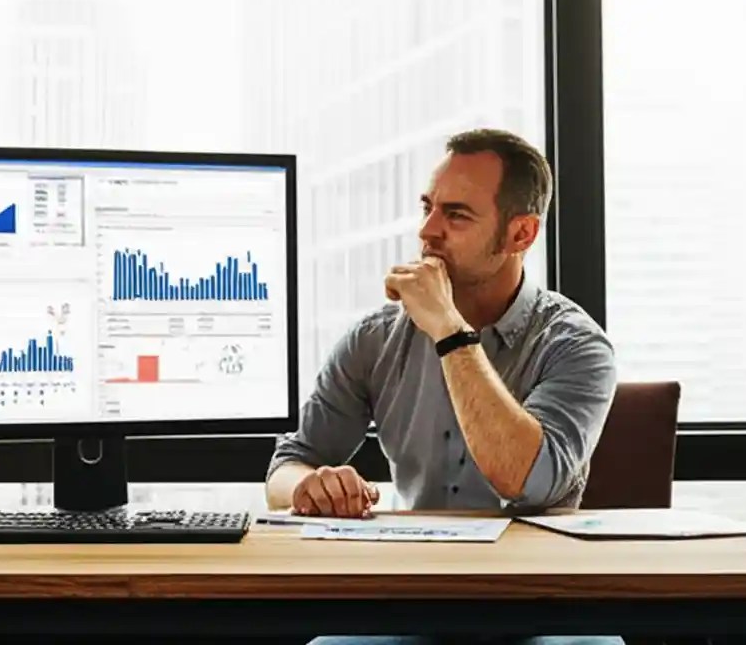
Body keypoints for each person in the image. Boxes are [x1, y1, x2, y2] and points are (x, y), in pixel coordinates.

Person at [265, 128, 621, 645]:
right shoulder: (375, 338)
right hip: (409, 597)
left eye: (457, 215)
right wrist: (308, 486)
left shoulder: (576, 345)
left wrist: (450, 332)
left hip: (543, 607)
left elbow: (526, 480)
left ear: (521, 234)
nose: (429, 231)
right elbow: (287, 464)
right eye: (428, 207)